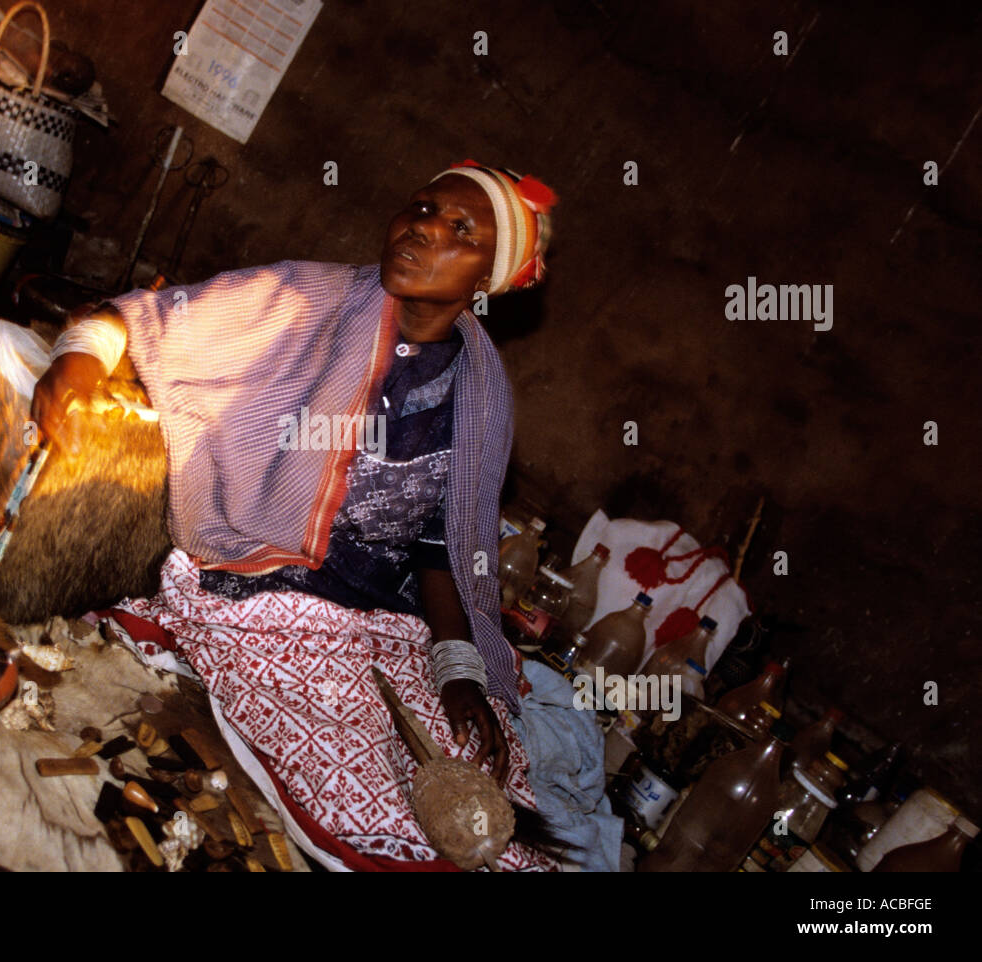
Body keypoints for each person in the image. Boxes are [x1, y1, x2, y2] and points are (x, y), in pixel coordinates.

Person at [31, 161, 620, 870]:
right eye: (423, 206)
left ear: (489, 278)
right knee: (356, 786)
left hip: (373, 607)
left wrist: (457, 664)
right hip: (261, 577)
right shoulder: (307, 299)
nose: (424, 227)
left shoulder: (480, 391)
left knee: (475, 783)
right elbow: (147, 319)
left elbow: (440, 544)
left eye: (460, 230)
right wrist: (77, 362)